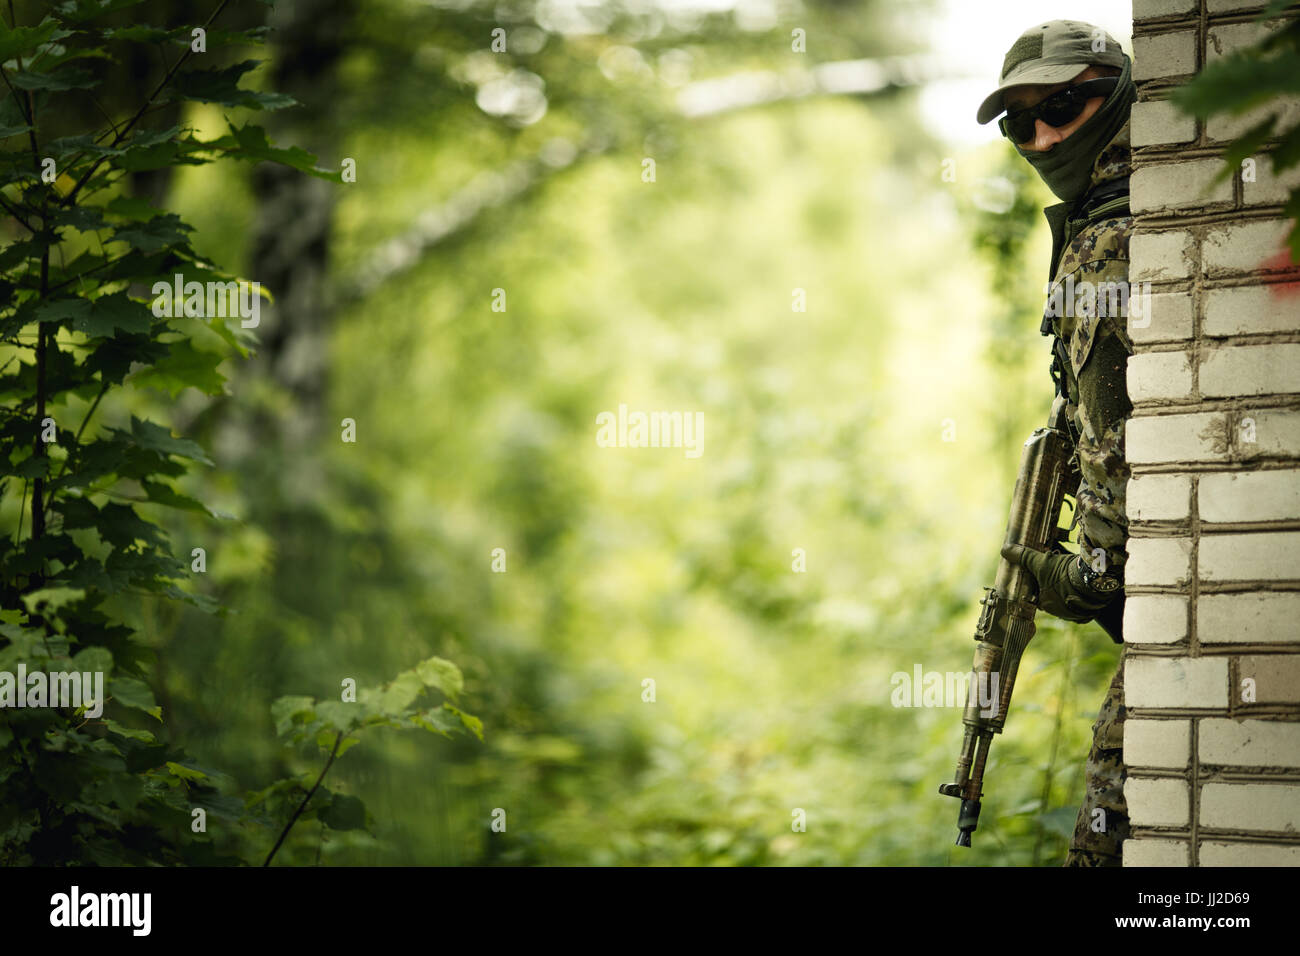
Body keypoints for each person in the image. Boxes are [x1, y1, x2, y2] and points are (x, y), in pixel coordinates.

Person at [976, 20, 1137, 867]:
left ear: (1117, 92)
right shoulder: (1151, 203)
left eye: (1063, 106)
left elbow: (1115, 450)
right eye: (1019, 124)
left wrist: (1077, 579)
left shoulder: (1106, 243)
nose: (1040, 138)